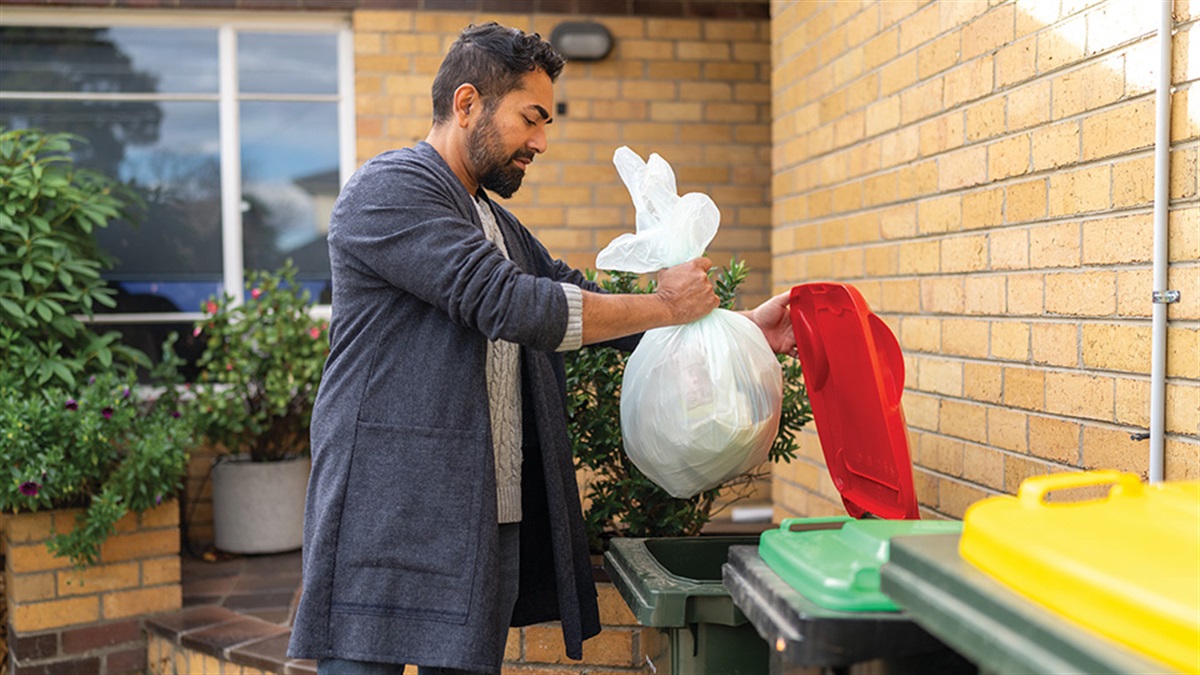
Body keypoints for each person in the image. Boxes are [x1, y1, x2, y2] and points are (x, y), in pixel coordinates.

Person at [287, 22, 796, 675]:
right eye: (531, 118)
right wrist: (669, 303)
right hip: (388, 508)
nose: (542, 141)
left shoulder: (496, 223)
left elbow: (576, 296)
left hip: (476, 510)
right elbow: (512, 304)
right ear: (467, 103)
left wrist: (742, 329)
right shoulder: (389, 190)